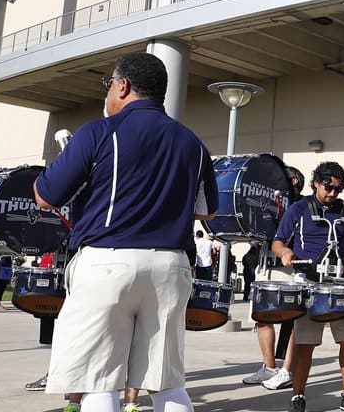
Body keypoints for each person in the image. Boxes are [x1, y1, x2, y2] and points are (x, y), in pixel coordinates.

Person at [35, 51, 219, 412]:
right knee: (166, 383)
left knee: (98, 382)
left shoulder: (98, 131)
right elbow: (208, 211)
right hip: (170, 266)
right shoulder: (193, 143)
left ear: (123, 86)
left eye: (109, 84)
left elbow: (46, 195)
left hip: (106, 262)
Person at [271, 161, 344, 412]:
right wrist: (285, 252)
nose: (332, 193)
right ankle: (297, 397)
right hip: (309, 282)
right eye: (328, 187)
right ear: (316, 184)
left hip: (339, 283)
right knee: (305, 345)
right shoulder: (298, 209)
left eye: (337, 189)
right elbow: (277, 242)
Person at [244, 166, 305, 391]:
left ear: (294, 181)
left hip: (288, 268)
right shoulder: (267, 203)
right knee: (262, 317)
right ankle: (269, 367)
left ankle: (288, 371)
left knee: (292, 321)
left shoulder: (301, 206)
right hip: (265, 265)